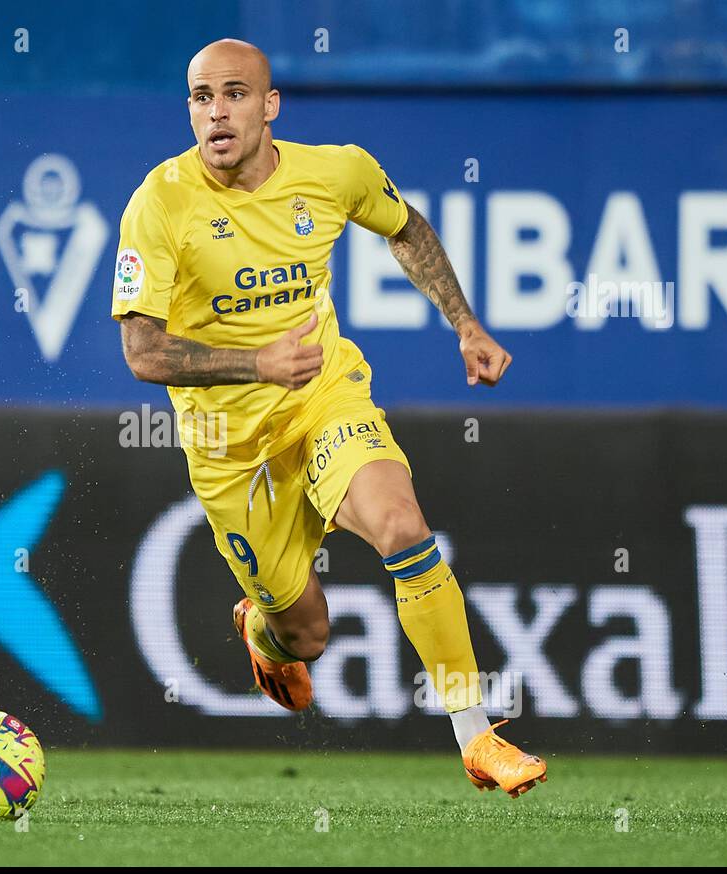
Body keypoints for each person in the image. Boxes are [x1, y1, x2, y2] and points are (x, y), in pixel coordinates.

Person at [111, 39, 547, 797]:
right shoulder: (159, 202)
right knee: (307, 634)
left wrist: (465, 324)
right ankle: (263, 630)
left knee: (402, 527)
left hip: (322, 399)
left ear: (270, 106)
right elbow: (142, 351)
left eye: (236, 94)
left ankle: (476, 735)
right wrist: (257, 363)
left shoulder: (335, 171)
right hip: (230, 451)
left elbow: (405, 227)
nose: (217, 112)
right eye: (202, 97)